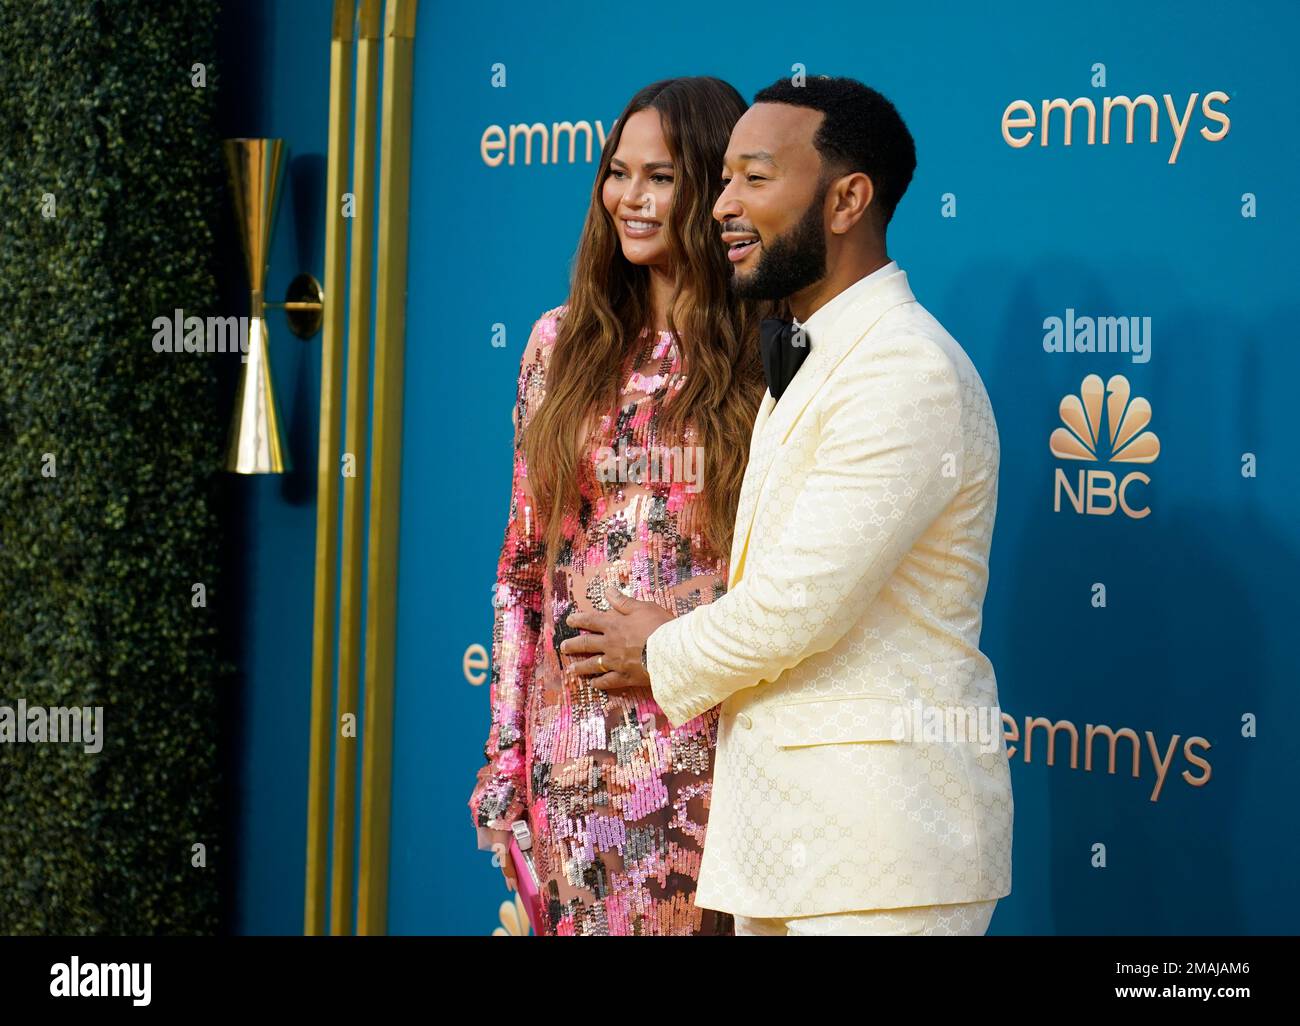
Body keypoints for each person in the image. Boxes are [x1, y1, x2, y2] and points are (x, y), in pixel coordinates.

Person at [563, 76, 1014, 936]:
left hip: (881, 858)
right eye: (724, 178)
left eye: (755, 179)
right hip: (793, 852)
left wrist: (655, 644)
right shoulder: (817, 355)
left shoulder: (903, 368)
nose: (723, 205)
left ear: (847, 199)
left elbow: (795, 605)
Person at [468, 77, 769, 935]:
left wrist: (679, 622)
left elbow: (785, 574)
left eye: (662, 177)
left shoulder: (770, 354)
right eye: (618, 172)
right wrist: (505, 755)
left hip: (703, 745)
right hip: (567, 751)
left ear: (715, 188)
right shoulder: (558, 344)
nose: (630, 198)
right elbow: (523, 572)